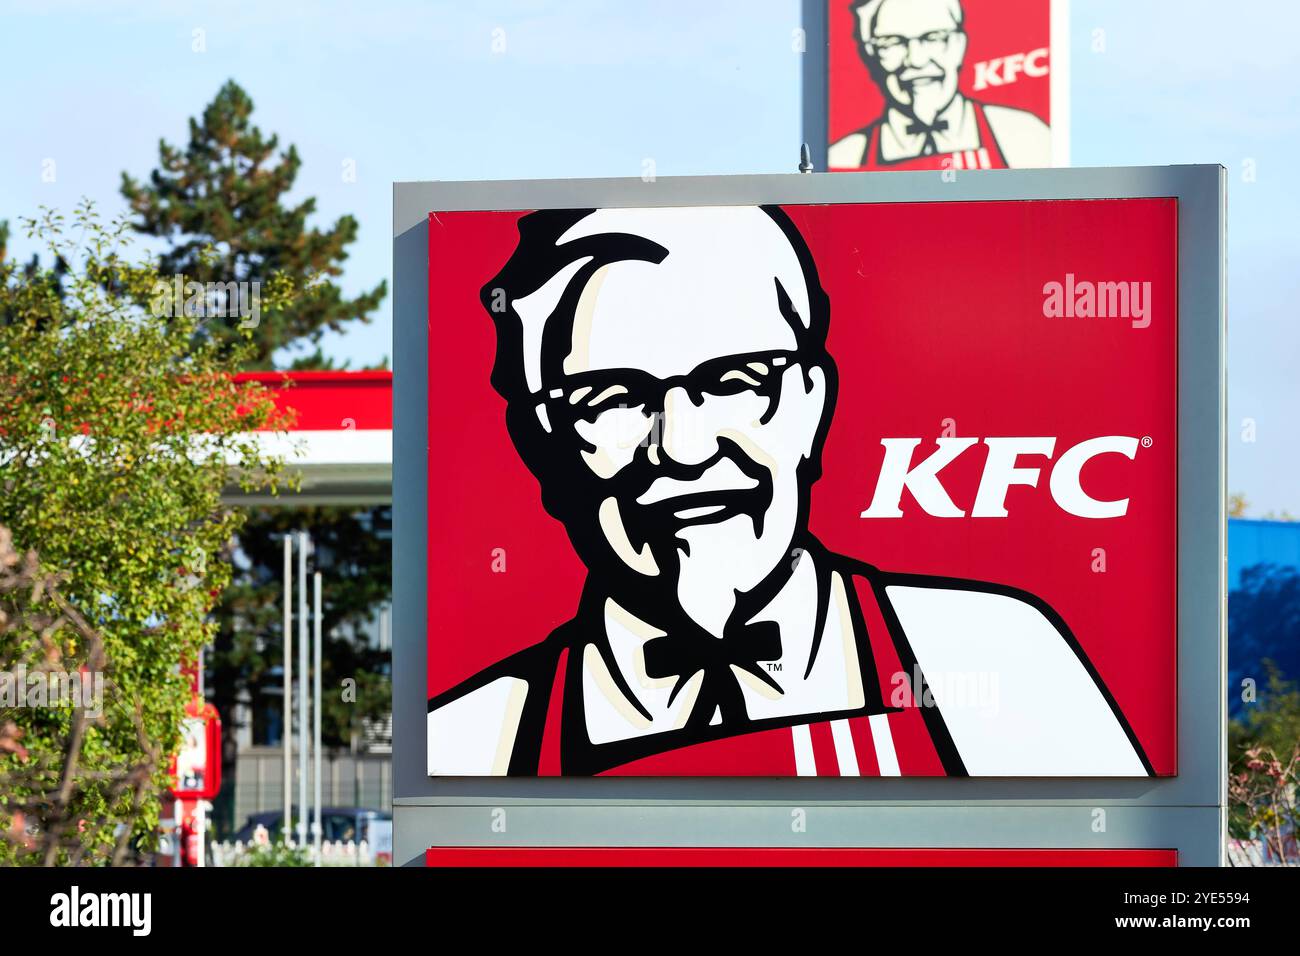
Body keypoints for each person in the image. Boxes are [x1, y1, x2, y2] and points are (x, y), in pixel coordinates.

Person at [427, 205, 1149, 777]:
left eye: (734, 382)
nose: (683, 446)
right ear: (545, 447)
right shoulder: (474, 738)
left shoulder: (990, 658)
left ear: (810, 404)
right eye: (614, 398)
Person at [828, 0, 1051, 170]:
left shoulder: (1024, 135)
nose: (916, 60)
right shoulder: (846, 157)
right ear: (872, 54)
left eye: (933, 38)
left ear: (959, 45)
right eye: (893, 42)